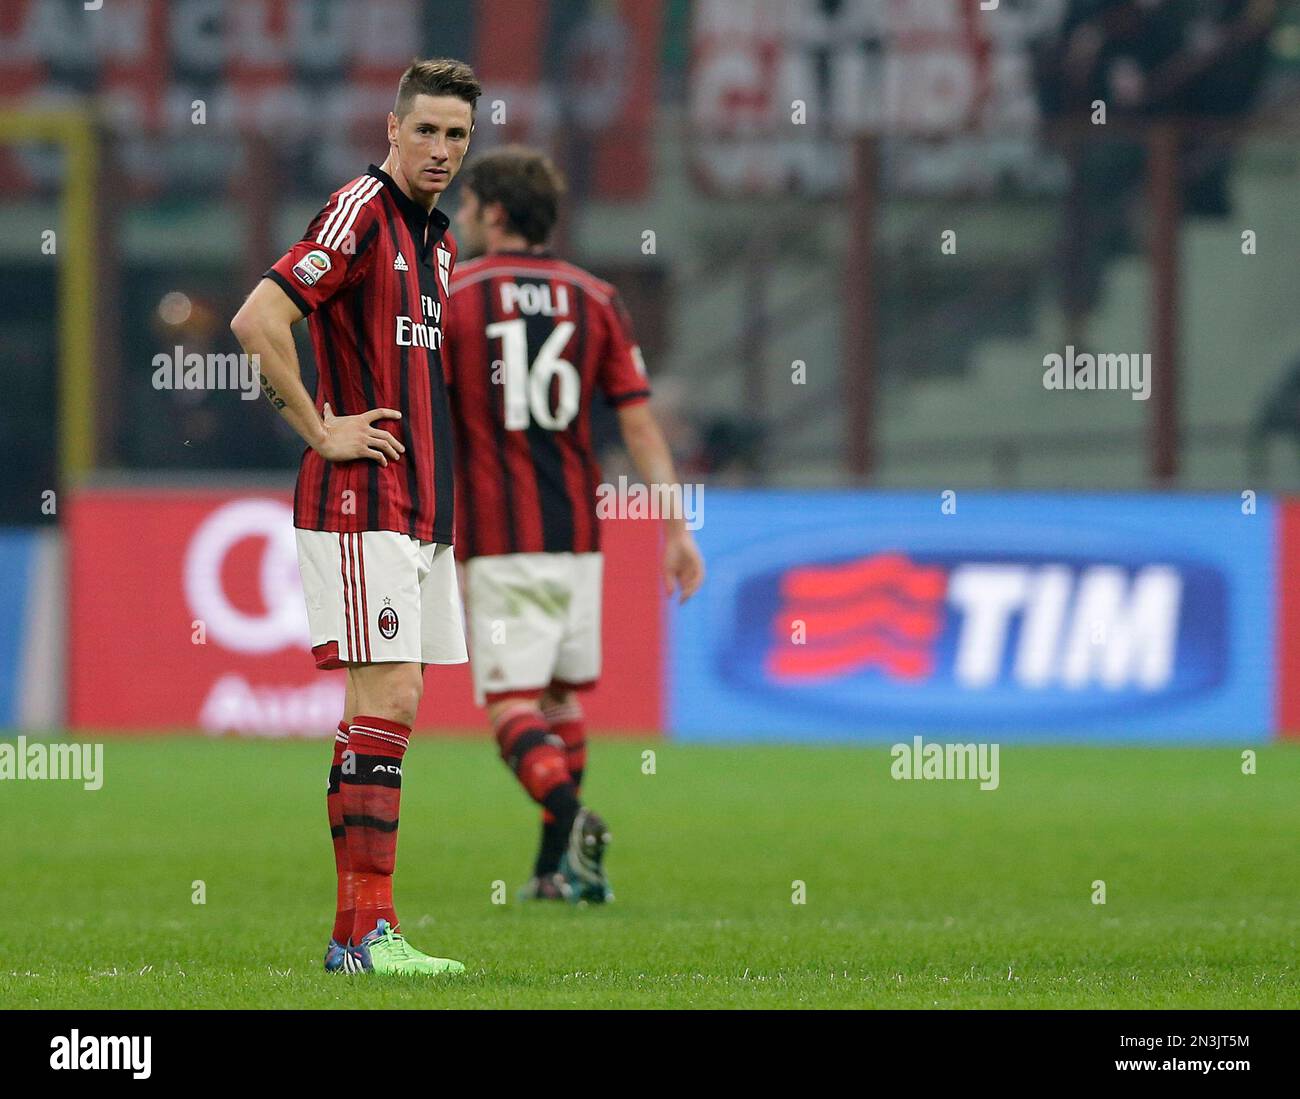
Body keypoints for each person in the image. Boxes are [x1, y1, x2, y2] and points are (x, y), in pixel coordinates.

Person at [229, 58, 480, 974]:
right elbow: (258, 319)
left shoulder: (438, 240)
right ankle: (370, 932)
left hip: (419, 507)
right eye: (427, 131)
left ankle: (354, 935)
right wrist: (320, 429)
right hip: (360, 498)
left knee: (382, 708)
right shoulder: (361, 211)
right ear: (392, 126)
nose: (442, 150)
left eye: (457, 134)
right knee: (395, 696)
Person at [444, 146, 704, 902]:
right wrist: (676, 529)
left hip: (499, 537)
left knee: (511, 706)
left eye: (467, 207)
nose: (461, 219)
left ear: (495, 212)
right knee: (559, 699)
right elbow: (642, 428)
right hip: (577, 535)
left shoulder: (455, 297)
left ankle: (573, 814)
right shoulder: (595, 298)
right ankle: (554, 874)